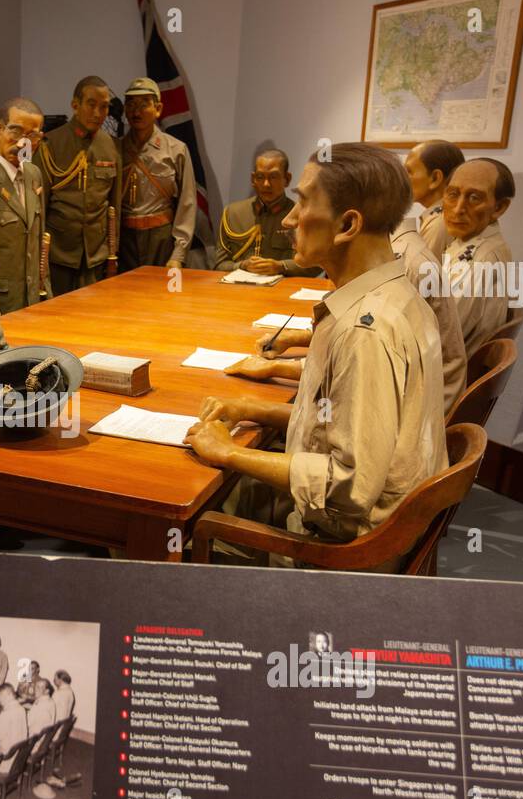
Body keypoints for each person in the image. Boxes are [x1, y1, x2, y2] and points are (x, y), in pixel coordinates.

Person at [186, 143, 447, 569]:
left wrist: (228, 453)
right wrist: (253, 407)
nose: (288, 218)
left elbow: (348, 486)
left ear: (347, 224)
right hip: (379, 529)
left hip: (337, 552)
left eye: (303, 202)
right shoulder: (396, 297)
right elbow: (344, 424)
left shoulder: (364, 332)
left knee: (162, 514)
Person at [37, 76, 122, 295]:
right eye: (91, 104)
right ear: (75, 105)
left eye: (104, 107)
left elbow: (115, 205)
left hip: (96, 255)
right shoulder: (51, 144)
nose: (97, 113)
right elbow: (39, 206)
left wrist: (113, 250)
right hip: (58, 254)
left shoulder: (111, 147)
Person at [0, 97, 50, 313]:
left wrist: (46, 294)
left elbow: (39, 243)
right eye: (16, 132)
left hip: (32, 299)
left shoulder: (34, 173)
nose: (23, 143)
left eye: (32, 135)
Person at [117, 78, 196, 272]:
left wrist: (178, 254)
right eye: (131, 105)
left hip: (161, 239)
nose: (136, 112)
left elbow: (187, 203)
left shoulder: (176, 150)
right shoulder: (115, 149)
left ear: (158, 108)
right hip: (123, 241)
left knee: (161, 298)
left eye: (144, 104)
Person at [390, 216, 467, 414]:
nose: (297, 219)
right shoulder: (404, 252)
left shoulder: (406, 264)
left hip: (421, 408)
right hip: (420, 391)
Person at [442, 158, 516, 358]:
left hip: (442, 377)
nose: (458, 209)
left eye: (474, 198)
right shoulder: (469, 242)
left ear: (499, 208)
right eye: (453, 194)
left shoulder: (479, 261)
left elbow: (440, 335)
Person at [213, 149, 320, 277]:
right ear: (253, 179)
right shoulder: (233, 213)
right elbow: (218, 265)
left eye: (273, 177)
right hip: (239, 290)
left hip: (283, 291)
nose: (266, 184)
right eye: (260, 177)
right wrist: (242, 266)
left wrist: (281, 266)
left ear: (287, 179)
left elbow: (316, 265)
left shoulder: (301, 215)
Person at [403, 140, 465, 256]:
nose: (402, 179)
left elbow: (423, 272)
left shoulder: (439, 224)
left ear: (435, 178)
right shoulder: (442, 217)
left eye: (408, 172)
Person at [0, 684, 28, 775]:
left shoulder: (5, 714)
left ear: (9, 695)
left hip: (7, 760)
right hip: (19, 757)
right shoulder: (21, 709)